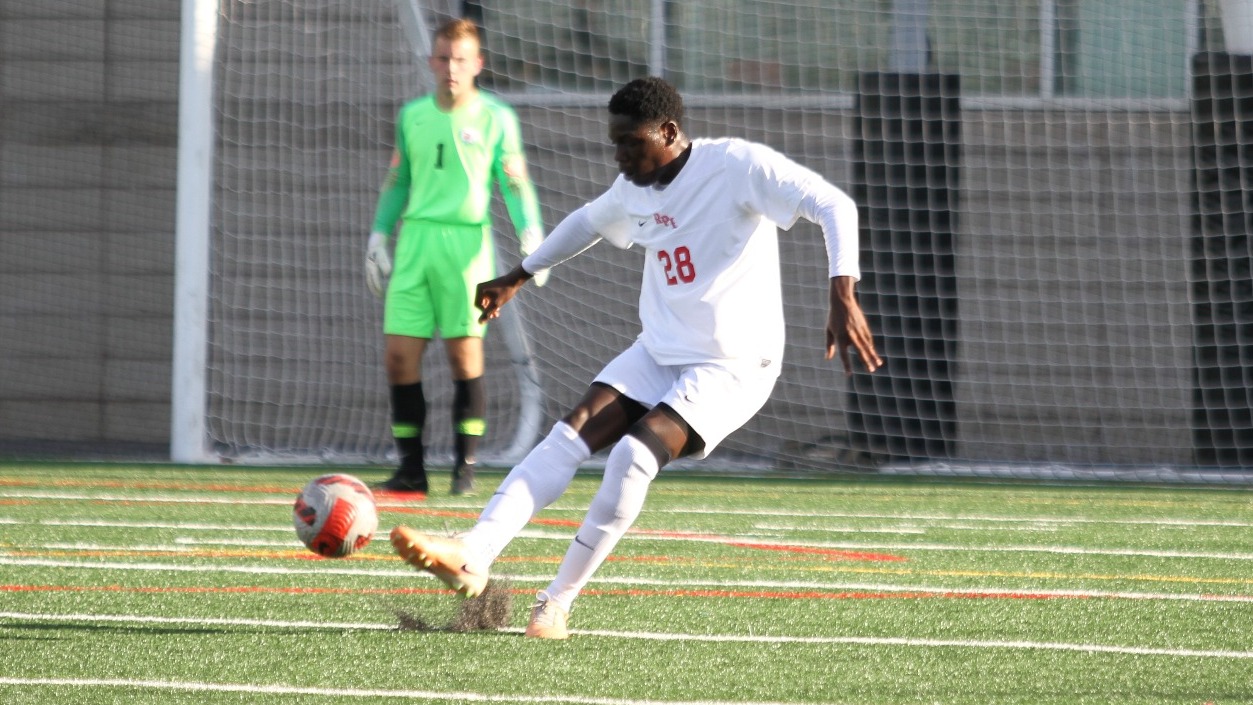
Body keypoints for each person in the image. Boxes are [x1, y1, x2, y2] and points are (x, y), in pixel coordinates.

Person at [389, 76, 882, 638]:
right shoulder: (634, 188)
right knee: (566, 436)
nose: (620, 157)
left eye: (631, 143)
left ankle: (555, 603)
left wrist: (843, 291)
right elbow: (587, 222)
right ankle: (473, 551)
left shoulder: (737, 166)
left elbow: (832, 203)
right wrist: (517, 275)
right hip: (659, 349)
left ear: (669, 132)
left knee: (632, 456)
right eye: (614, 144)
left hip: (733, 365)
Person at [366, 18, 546, 498]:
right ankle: (411, 471)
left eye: (461, 59)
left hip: (468, 247)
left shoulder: (496, 118)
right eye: (443, 57)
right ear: (431, 61)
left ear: (478, 65)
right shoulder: (413, 116)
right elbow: (398, 181)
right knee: (399, 358)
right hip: (416, 244)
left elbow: (515, 183)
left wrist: (533, 235)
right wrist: (379, 236)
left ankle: (464, 469)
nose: (451, 67)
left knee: (464, 357)